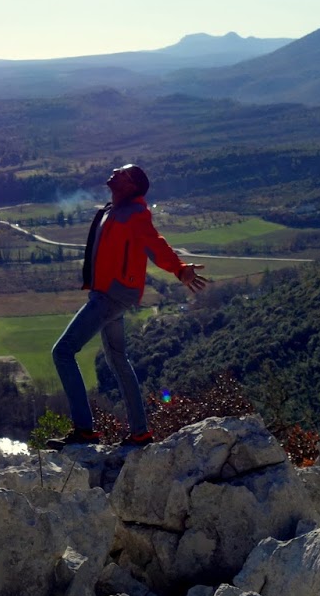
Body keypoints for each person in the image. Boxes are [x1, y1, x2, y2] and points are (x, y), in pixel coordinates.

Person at [50, 163, 207, 447]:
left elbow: (155, 244)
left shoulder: (135, 213)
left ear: (132, 185)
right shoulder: (112, 210)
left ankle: (84, 430)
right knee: (118, 360)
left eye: (121, 172)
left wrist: (179, 269)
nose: (114, 171)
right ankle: (140, 433)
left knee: (62, 352)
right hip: (108, 294)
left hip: (111, 295)